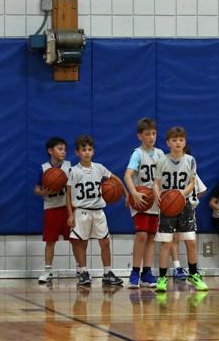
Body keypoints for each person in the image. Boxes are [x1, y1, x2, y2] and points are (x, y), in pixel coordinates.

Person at [152, 126, 207, 293]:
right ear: (168, 142)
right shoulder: (161, 160)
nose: (178, 142)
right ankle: (162, 278)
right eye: (174, 140)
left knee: (190, 242)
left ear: (185, 142)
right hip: (167, 207)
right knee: (166, 244)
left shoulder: (190, 160)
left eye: (181, 139)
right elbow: (156, 182)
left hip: (185, 205)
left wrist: (180, 195)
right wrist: (156, 193)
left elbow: (192, 182)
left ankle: (193, 275)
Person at [66, 134, 124, 288]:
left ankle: (107, 273)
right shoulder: (74, 171)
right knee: (82, 243)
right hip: (82, 211)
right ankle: (83, 272)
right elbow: (68, 194)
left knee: (105, 242)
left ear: (93, 152)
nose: (87, 152)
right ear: (78, 152)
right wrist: (70, 214)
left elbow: (115, 179)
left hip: (99, 212)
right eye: (83, 150)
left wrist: (127, 193)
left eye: (90, 149)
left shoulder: (99, 168)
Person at [125, 118, 162, 287]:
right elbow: (127, 175)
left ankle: (147, 272)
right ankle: (134, 272)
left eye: (154, 133)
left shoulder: (161, 154)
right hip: (141, 199)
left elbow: (162, 178)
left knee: (151, 237)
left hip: (156, 200)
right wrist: (133, 193)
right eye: (147, 134)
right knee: (142, 235)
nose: (151, 137)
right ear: (140, 136)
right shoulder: (137, 154)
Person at [36, 136, 72, 284]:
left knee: (76, 240)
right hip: (51, 207)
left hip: (67, 207)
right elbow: (37, 188)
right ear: (50, 151)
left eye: (64, 149)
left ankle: (81, 269)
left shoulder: (69, 166)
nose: (63, 152)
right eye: (60, 149)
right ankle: (48, 270)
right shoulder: (44, 168)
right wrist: (42, 192)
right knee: (50, 241)